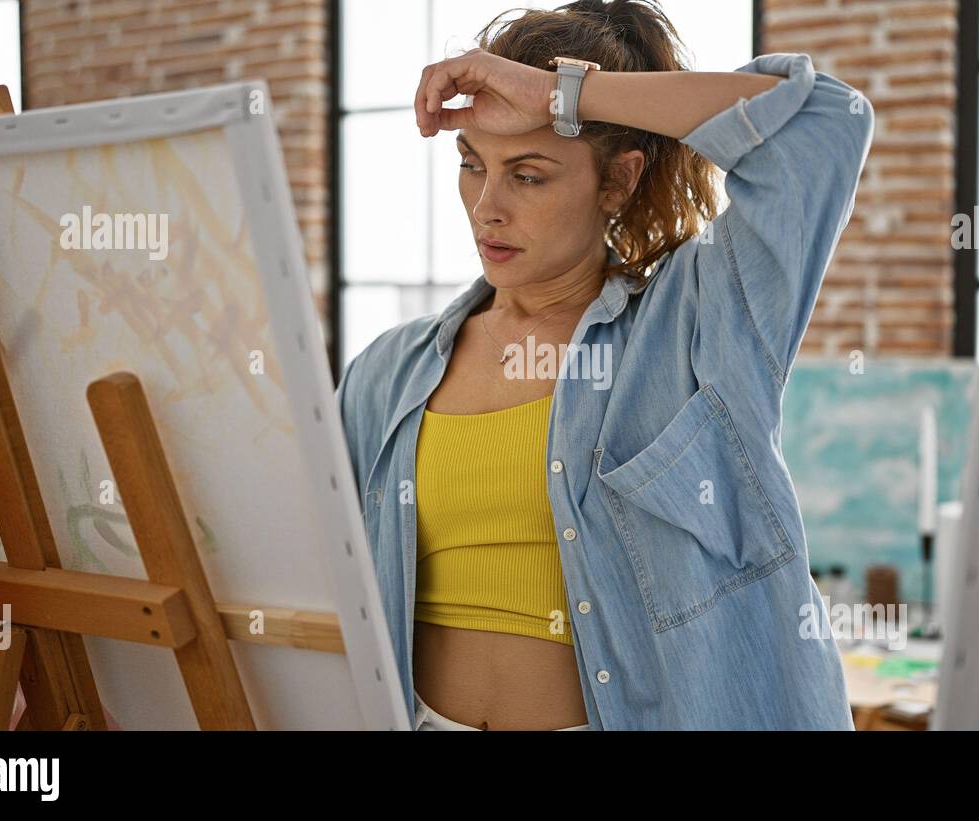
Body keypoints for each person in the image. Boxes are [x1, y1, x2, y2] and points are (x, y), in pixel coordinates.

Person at [337, 0, 873, 730]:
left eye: (528, 175)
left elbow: (823, 126)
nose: (486, 207)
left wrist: (563, 95)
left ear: (617, 182)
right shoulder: (384, 375)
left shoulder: (696, 327)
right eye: (472, 166)